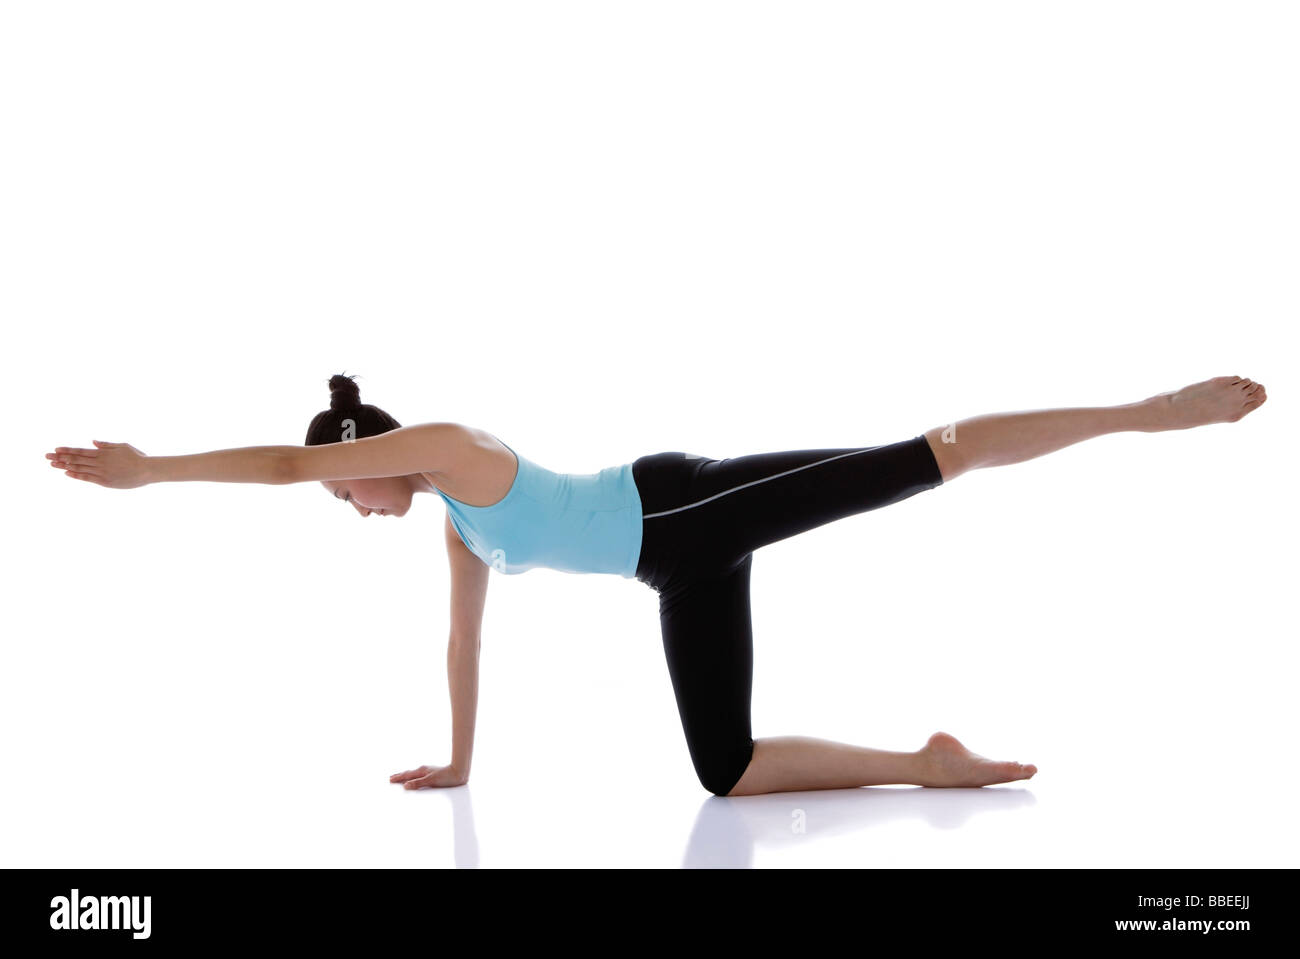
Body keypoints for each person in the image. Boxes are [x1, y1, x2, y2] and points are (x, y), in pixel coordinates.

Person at [46, 372, 1268, 796]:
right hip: (671, 565)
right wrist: (463, 762)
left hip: (687, 502)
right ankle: (929, 761)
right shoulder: (463, 528)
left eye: (345, 493)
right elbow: (462, 649)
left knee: (928, 454)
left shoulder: (456, 449)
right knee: (724, 771)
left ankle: (1145, 415)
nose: (350, 510)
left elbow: (281, 462)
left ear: (371, 458)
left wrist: (150, 472)